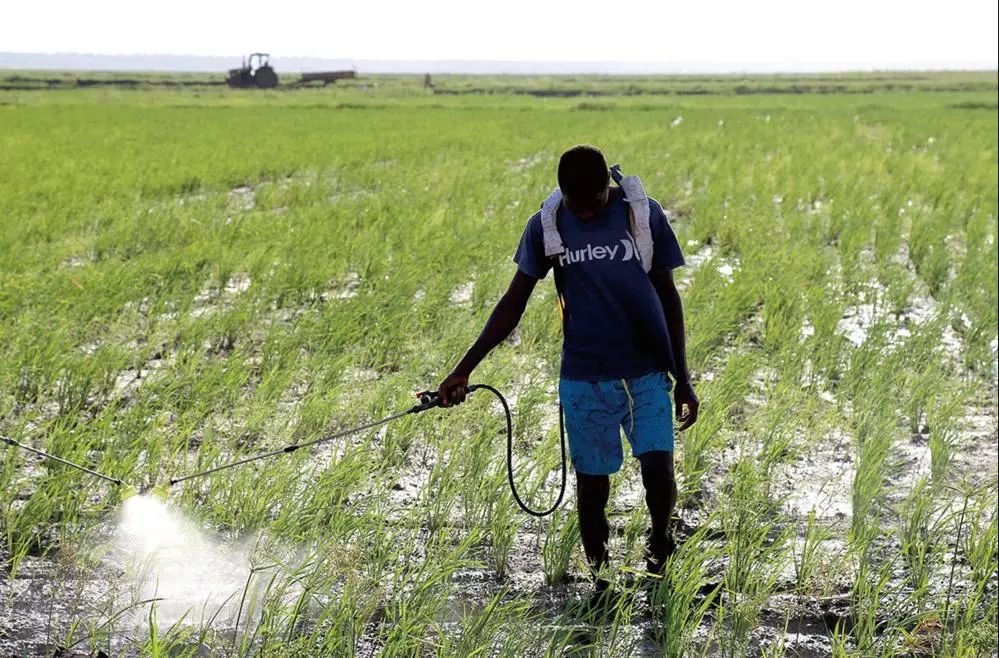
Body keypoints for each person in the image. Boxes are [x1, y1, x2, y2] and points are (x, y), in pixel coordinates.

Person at [437, 144, 698, 596]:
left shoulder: (642, 215)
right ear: (562, 195)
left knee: (659, 469)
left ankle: (660, 548)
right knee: (592, 486)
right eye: (576, 206)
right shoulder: (548, 226)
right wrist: (463, 369)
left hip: (646, 372)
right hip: (585, 377)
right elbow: (512, 304)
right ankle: (601, 580)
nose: (587, 213)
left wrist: (684, 377)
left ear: (608, 189)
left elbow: (668, 297)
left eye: (594, 203)